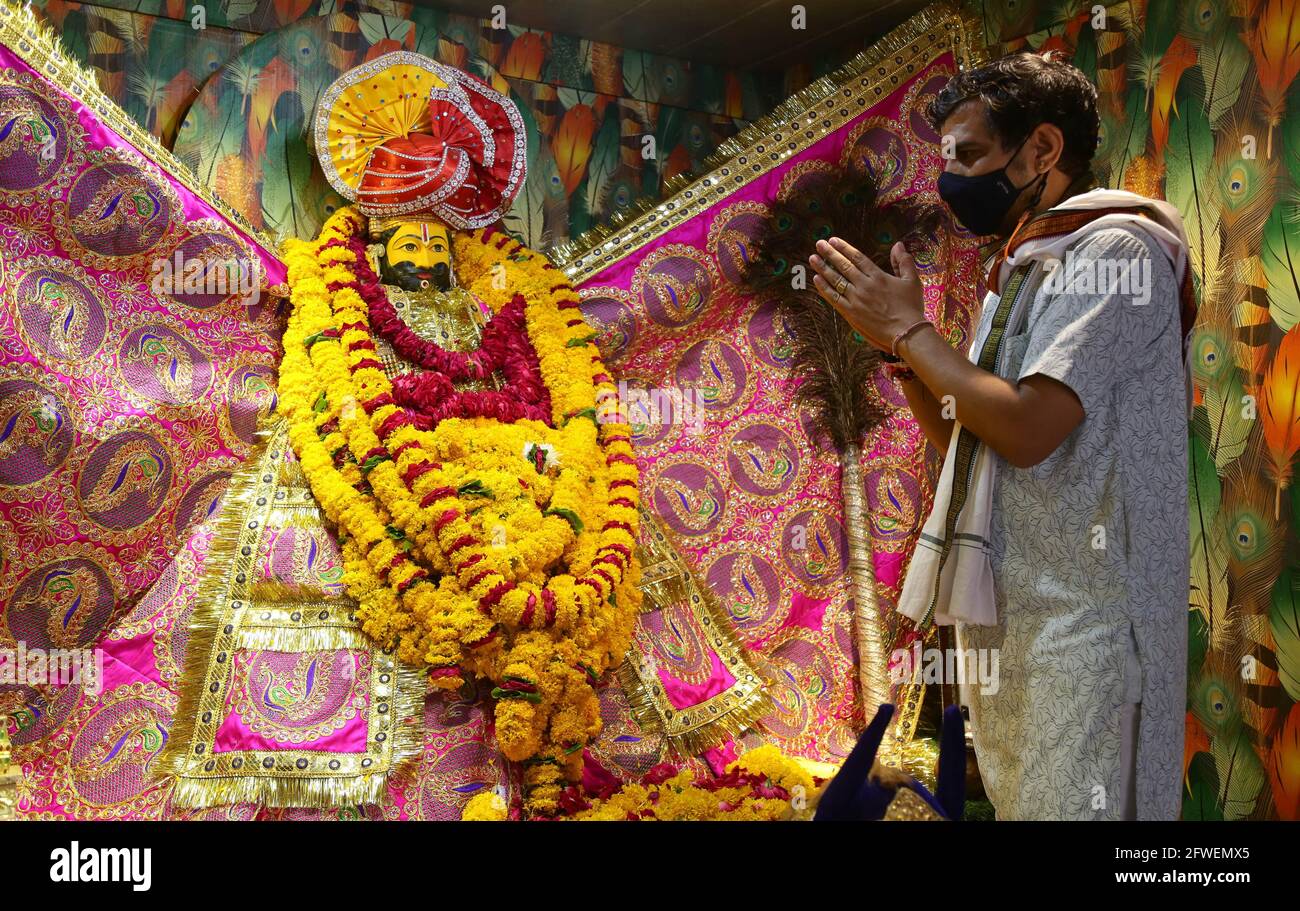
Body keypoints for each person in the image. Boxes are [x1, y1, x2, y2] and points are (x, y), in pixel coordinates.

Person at [807, 52, 1193, 820]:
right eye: (948, 158)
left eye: (973, 155)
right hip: (1016, 621)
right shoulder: (1023, 265)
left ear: (1043, 149)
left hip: (1092, 624)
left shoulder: (1119, 251)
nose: (953, 181)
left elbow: (1024, 427)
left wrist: (912, 329)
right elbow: (970, 445)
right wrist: (898, 349)